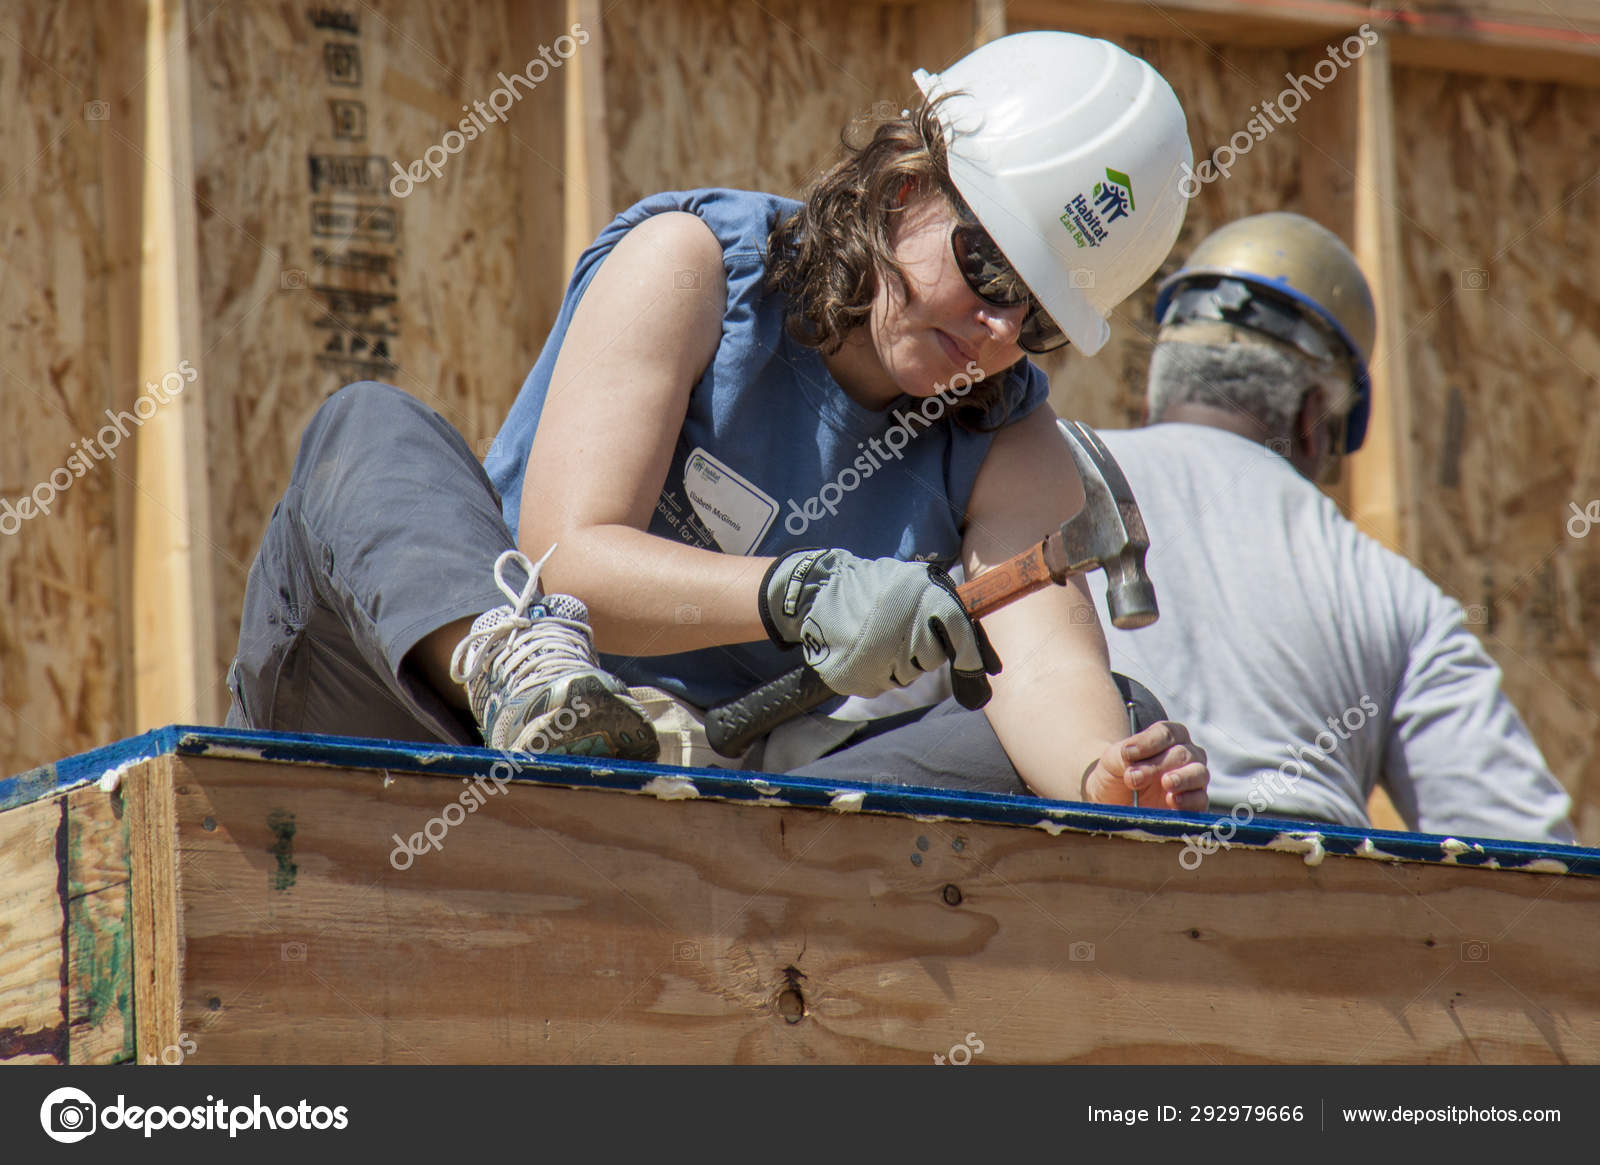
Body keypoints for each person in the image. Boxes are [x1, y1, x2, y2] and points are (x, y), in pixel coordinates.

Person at [223, 31, 1209, 811]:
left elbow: (1043, 667)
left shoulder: (1007, 439)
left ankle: (723, 863)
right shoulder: (695, 266)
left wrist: (1099, 777)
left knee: (1119, 717)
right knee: (368, 426)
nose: (997, 331)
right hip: (437, 723)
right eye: (989, 270)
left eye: (1035, 319)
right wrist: (796, 593)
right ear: (907, 189)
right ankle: (525, 682)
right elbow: (566, 558)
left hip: (691, 790)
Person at [1082, 211, 1575, 842]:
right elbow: (1528, 854)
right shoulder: (1398, 595)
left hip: (1077, 881)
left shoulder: (1048, 479)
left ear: (1158, 382)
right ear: (1315, 418)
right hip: (1307, 919)